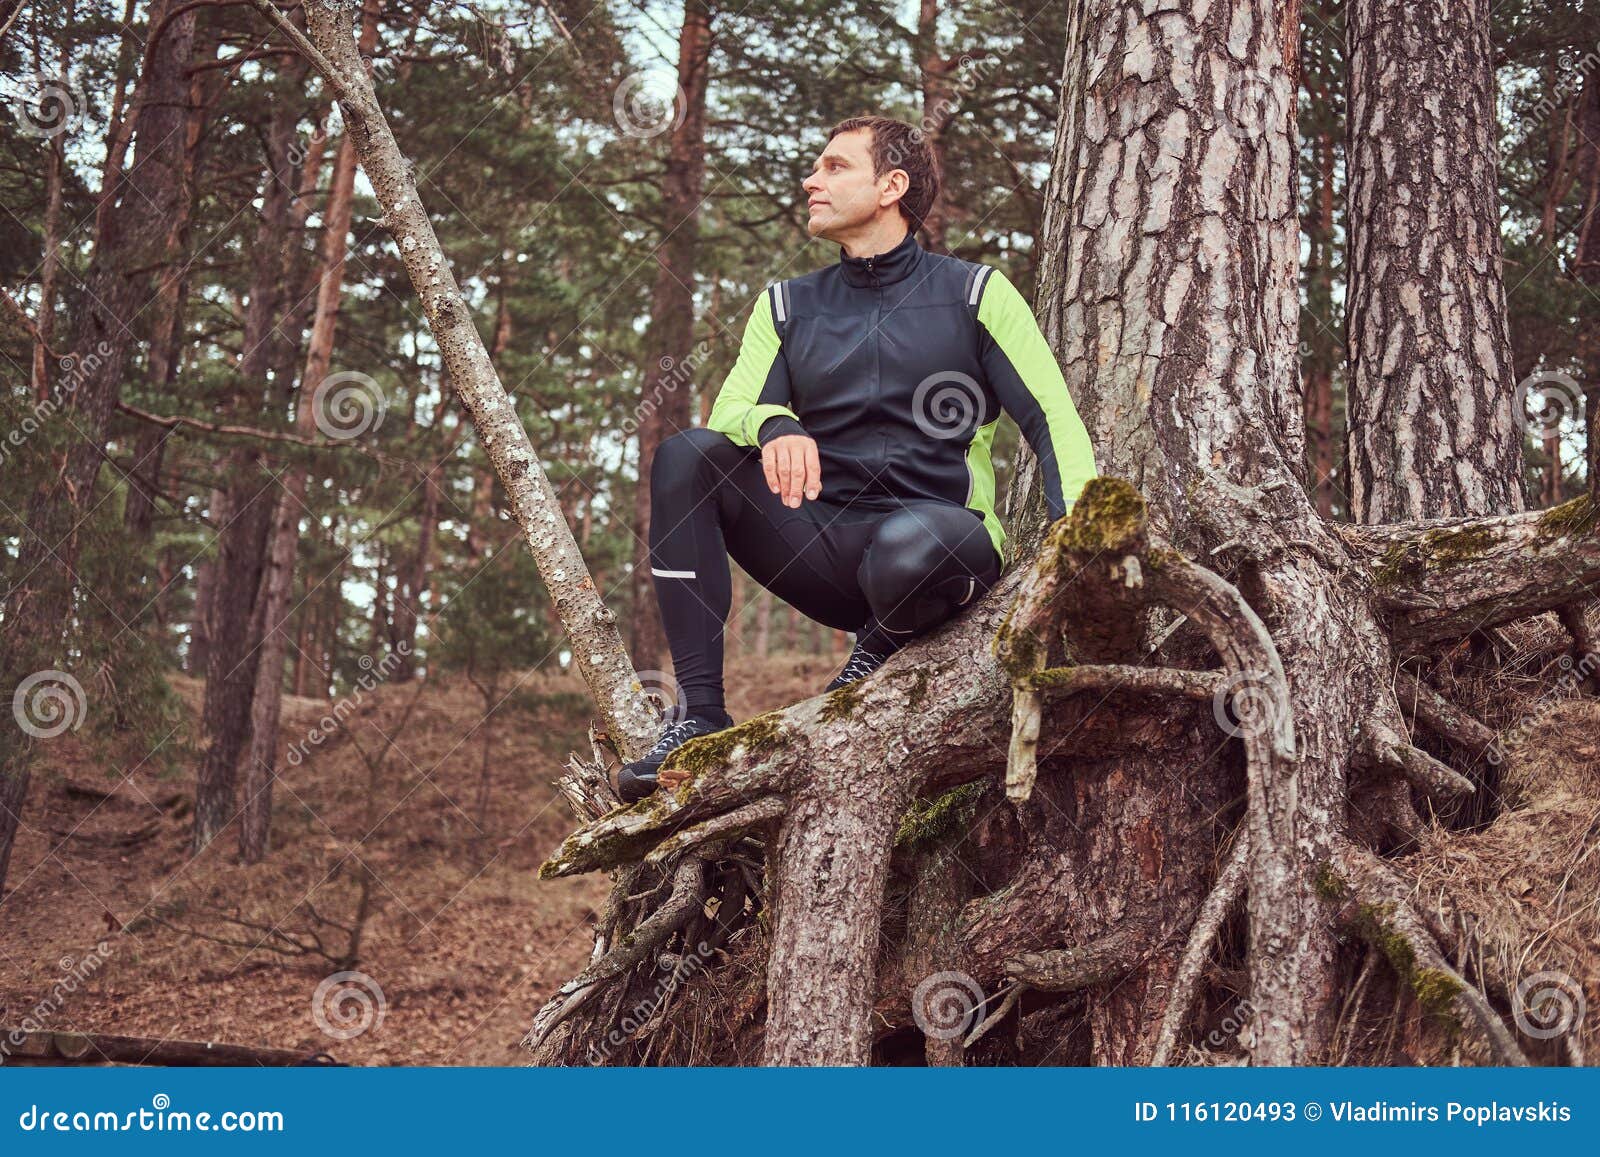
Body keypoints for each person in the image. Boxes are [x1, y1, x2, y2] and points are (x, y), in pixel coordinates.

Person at [618, 114, 1098, 803]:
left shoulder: (974, 294)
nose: (812, 180)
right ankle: (697, 717)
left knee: (905, 544)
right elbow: (730, 414)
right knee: (687, 457)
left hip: (943, 544)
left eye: (835, 166)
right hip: (828, 551)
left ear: (891, 186)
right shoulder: (786, 306)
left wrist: (1081, 545)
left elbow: (1051, 417)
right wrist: (776, 421)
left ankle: (875, 653)